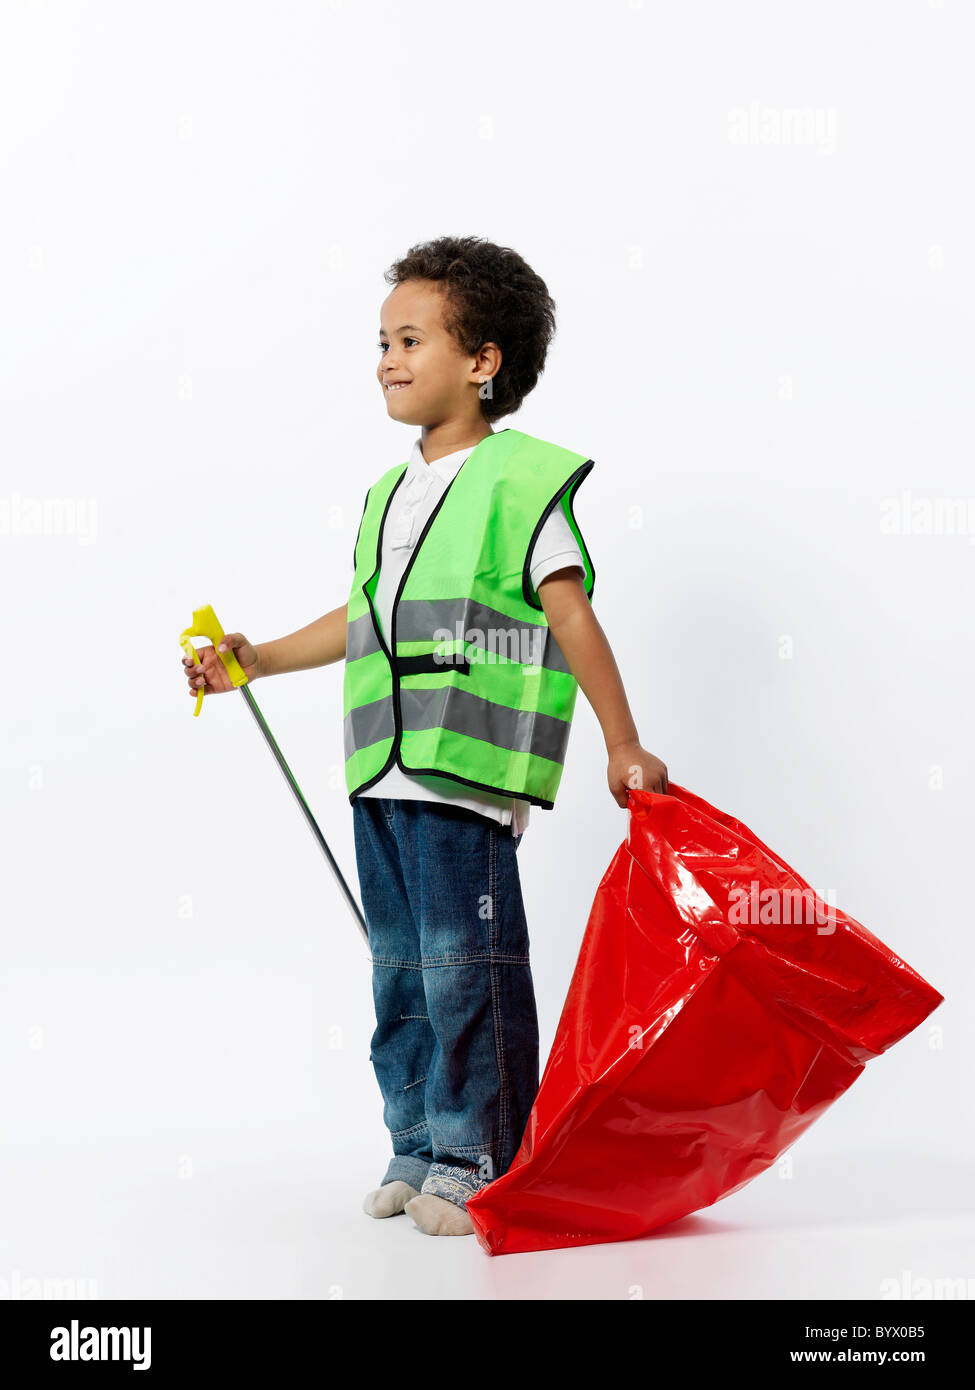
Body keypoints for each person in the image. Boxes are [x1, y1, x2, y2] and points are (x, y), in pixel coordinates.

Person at [180, 235, 668, 1237]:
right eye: (382, 340)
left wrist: (625, 743)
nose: (387, 360)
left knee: (465, 966)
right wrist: (256, 658)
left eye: (411, 339)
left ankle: (480, 1155)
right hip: (386, 770)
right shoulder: (389, 496)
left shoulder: (519, 484)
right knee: (398, 969)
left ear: (482, 360)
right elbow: (364, 616)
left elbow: (569, 613)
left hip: (465, 773)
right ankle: (417, 1139)